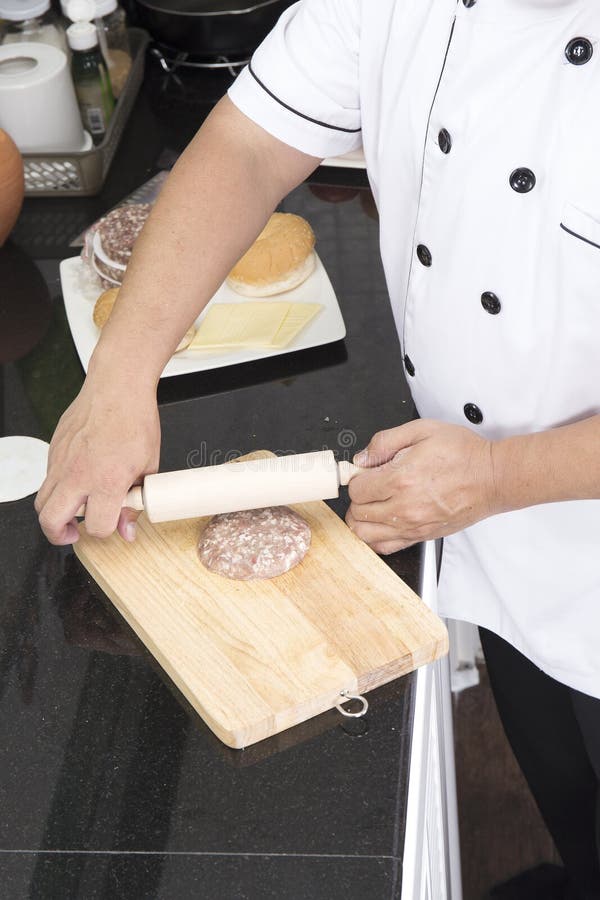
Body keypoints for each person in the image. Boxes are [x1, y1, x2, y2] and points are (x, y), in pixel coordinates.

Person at [36, 0, 600, 896]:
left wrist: (501, 473)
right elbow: (253, 141)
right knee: (567, 785)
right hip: (505, 546)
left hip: (551, 510)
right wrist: (119, 376)